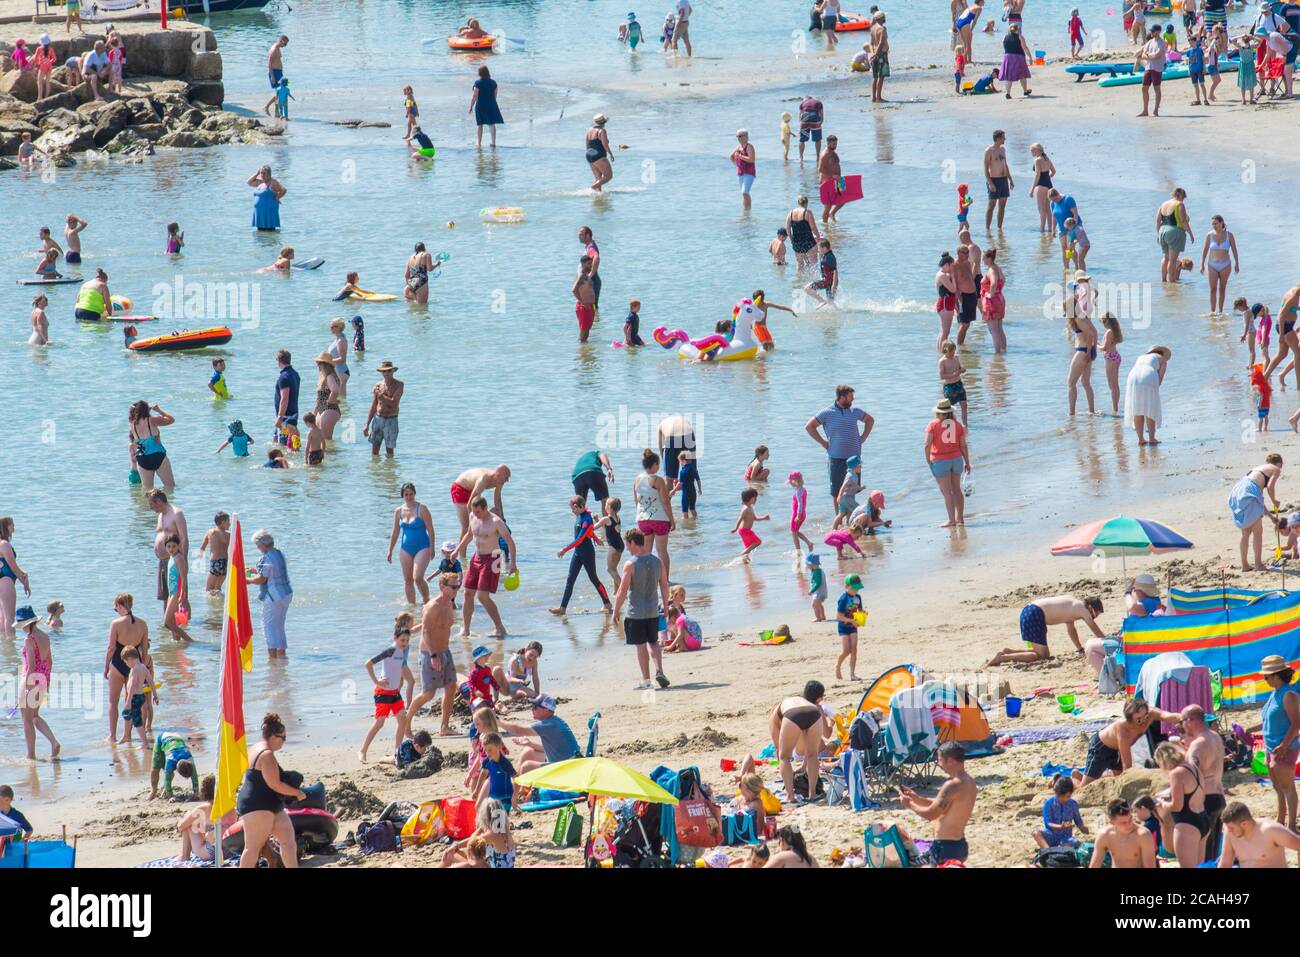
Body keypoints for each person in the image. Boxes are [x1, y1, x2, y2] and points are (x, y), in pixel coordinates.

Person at [236, 713, 304, 868]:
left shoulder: (255, 748)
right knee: (252, 848)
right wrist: (297, 793)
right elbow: (275, 784)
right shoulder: (266, 755)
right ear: (272, 737)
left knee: (288, 839)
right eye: (283, 738)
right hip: (257, 804)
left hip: (269, 803)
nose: (283, 742)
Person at [612, 527, 672, 690]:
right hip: (653, 610)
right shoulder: (657, 561)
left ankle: (646, 680)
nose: (627, 548)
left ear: (633, 543)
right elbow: (665, 586)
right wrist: (665, 606)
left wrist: (615, 611)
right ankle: (659, 670)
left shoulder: (630, 564)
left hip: (635, 613)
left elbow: (622, 591)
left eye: (628, 545)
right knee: (653, 642)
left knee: (640, 645)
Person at [900, 742, 977, 866]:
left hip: (945, 848)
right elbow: (942, 806)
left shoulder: (952, 785)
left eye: (940, 760)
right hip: (958, 845)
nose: (939, 764)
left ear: (950, 760)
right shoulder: (969, 782)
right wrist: (917, 798)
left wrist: (909, 804)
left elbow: (931, 814)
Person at [1074, 698, 1180, 786]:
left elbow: (1168, 716)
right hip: (1101, 747)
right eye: (1139, 719)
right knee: (1085, 787)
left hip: (1116, 749)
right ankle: (1076, 781)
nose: (1143, 721)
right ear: (1130, 719)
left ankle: (1090, 776)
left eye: (1146, 717)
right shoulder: (1123, 730)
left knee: (1118, 777)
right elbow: (1127, 765)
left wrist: (1184, 718)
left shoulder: (1150, 714)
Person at [407, 573, 461, 738]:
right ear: (442, 587)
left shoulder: (449, 604)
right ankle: (405, 723)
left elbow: (432, 625)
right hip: (430, 653)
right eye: (453, 587)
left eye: (457, 587)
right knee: (428, 694)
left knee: (451, 687)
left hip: (445, 651)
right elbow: (426, 631)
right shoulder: (433, 606)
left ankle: (444, 727)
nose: (456, 590)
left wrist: (410, 631)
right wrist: (433, 655)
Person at [455, 496, 516, 639]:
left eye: (478, 512)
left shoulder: (496, 522)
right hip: (477, 557)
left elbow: (510, 542)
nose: (475, 515)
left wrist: (512, 563)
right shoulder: (472, 516)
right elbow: (469, 535)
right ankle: (466, 630)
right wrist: (456, 550)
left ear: (485, 508)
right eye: (474, 512)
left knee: (482, 596)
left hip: (493, 558)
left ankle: (500, 628)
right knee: (467, 593)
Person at [986, 594, 1105, 667]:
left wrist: (1079, 648)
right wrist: (1109, 642)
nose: (1094, 618)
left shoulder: (1074, 604)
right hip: (1035, 614)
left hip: (1031, 610)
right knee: (1041, 656)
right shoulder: (1082, 609)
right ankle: (1002, 658)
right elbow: (1096, 631)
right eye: (1096, 615)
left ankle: (1008, 652)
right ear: (1090, 607)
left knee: (1042, 654)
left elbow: (1071, 629)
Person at [806, 384, 874, 501]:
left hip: (854, 459)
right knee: (837, 493)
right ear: (842, 397)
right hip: (836, 459)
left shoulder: (855, 411)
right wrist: (823, 442)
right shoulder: (827, 413)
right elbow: (809, 427)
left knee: (852, 491)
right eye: (850, 397)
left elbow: (870, 420)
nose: (853, 399)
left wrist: (863, 437)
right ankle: (839, 517)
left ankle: (850, 519)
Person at [770, 682, 833, 804]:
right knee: (812, 754)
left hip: (792, 715)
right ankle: (812, 794)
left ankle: (790, 796)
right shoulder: (801, 701)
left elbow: (778, 749)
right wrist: (803, 766)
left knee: (784, 757)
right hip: (813, 713)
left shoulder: (774, 717)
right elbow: (807, 744)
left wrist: (784, 768)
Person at [1256, 654, 1299, 831]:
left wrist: (1284, 745)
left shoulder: (1288, 694)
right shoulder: (1275, 694)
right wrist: (1250, 730)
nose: (1265, 680)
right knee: (1278, 786)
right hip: (1272, 747)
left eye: (1267, 677)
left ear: (1276, 675)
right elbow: (1268, 719)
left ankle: (1290, 825)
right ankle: (1280, 819)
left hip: (1283, 748)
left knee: (1287, 787)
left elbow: (1296, 722)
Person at [360, 624, 413, 764]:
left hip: (394, 693)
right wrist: (377, 681)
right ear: (395, 638)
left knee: (403, 719)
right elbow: (368, 664)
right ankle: (363, 751)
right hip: (383, 693)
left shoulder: (402, 652)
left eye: (407, 640)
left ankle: (397, 753)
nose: (405, 643)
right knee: (379, 723)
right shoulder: (390, 650)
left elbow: (396, 671)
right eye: (402, 640)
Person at [551, 495, 612, 616]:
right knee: (570, 579)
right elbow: (588, 533)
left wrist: (564, 549)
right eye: (572, 509)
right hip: (578, 553)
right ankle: (562, 608)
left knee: (593, 578)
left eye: (574, 509)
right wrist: (596, 538)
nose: (573, 511)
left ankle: (608, 604)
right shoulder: (579, 516)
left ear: (580, 507)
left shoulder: (587, 519)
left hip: (587, 552)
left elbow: (580, 539)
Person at [1180, 705, 1226, 861]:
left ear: (1190, 720)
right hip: (1219, 796)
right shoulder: (1216, 736)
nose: (1182, 725)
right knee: (1212, 851)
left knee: (1202, 853)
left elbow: (1191, 775)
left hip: (1205, 799)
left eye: (1182, 721)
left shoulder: (1198, 744)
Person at [1152, 742, 1209, 868]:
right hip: (1203, 818)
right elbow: (1191, 789)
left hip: (1187, 823)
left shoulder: (1176, 773)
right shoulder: (1193, 767)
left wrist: (1162, 803)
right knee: (1201, 866)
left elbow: (1177, 806)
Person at [498, 695, 582, 774]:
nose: (532, 709)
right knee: (528, 751)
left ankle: (520, 789)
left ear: (546, 710)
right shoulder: (554, 721)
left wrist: (497, 720)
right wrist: (530, 744)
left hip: (566, 768)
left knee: (526, 766)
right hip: (568, 762)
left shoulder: (549, 724)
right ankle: (515, 786)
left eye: (535, 707)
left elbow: (518, 730)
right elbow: (553, 749)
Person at [16, 608, 59, 761]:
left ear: (26, 623)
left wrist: (27, 685)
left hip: (30, 679)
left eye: (21, 624)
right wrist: (46, 681)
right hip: (43, 678)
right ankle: (53, 742)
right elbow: (50, 661)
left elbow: (31, 665)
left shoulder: (29, 639)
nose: (21, 628)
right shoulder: (45, 636)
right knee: (34, 716)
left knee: (26, 719)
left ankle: (31, 754)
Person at [1228, 454, 1284, 571]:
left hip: (1238, 490)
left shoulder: (1258, 470)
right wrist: (1274, 500)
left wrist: (1270, 516)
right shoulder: (1276, 469)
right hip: (1248, 492)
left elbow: (1258, 500)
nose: (1281, 469)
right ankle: (1258, 564)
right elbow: (1270, 486)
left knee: (1246, 532)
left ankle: (1245, 565)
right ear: (1279, 463)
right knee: (1258, 532)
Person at [924, 398, 970, 528]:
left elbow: (927, 444)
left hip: (940, 461)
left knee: (947, 492)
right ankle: (960, 518)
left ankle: (951, 520)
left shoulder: (933, 425)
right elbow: (963, 446)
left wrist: (928, 460)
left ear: (938, 412)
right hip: (956, 460)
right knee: (956, 490)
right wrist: (967, 462)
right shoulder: (958, 425)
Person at [247, 530, 292, 659]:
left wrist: (247, 581)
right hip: (286, 593)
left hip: (274, 596)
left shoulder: (265, 557)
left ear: (263, 544)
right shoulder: (279, 553)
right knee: (279, 625)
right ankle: (282, 655)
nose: (258, 548)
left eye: (258, 545)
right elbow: (273, 570)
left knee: (268, 626)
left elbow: (261, 579)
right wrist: (255, 570)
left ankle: (272, 658)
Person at [388, 483, 434, 605]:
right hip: (405, 549)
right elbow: (395, 532)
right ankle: (412, 608)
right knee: (408, 580)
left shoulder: (422, 508)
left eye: (411, 494)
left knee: (417, 577)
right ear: (402, 495)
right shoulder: (398, 511)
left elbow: (430, 529)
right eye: (406, 494)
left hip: (423, 547)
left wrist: (432, 548)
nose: (409, 497)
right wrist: (390, 550)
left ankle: (426, 600)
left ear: (415, 493)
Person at [632, 449, 675, 578]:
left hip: (643, 519)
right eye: (658, 464)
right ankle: (665, 580)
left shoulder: (637, 479)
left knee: (645, 552)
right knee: (662, 551)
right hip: (659, 519)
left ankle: (647, 579)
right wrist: (672, 520)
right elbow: (666, 502)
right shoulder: (658, 480)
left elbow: (636, 501)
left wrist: (640, 516)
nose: (659, 466)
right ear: (654, 464)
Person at [1218, 801, 1300, 867]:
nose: (1229, 831)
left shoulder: (1271, 830)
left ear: (1244, 824)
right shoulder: (1230, 834)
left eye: (1231, 828)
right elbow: (1225, 864)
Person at [146, 489, 188, 612]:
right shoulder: (160, 516)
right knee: (165, 596)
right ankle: (168, 627)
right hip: (163, 561)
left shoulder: (176, 513)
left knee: (181, 594)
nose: (150, 508)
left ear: (159, 501)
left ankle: (183, 623)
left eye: (151, 504)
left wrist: (184, 560)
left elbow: (184, 538)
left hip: (176, 561)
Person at [451, 465, 511, 544]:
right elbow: (469, 505)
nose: (507, 480)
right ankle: (462, 555)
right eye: (506, 478)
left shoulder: (500, 480)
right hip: (460, 488)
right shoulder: (484, 479)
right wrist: (474, 522)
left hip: (474, 489)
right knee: (466, 528)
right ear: (497, 475)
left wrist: (502, 520)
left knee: (493, 511)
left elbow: (498, 500)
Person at [1124, 346, 1171, 446]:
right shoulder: (1163, 359)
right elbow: (1159, 379)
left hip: (1132, 376)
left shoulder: (1141, 357)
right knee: (1150, 409)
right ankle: (1152, 438)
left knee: (1137, 409)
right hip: (1148, 374)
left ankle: (1141, 439)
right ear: (1162, 353)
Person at [1090, 800, 1158, 868]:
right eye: (1124, 823)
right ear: (1112, 822)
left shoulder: (1143, 835)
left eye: (1130, 819)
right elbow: (1094, 865)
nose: (1129, 824)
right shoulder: (1105, 835)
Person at [1199, 215, 1240, 316]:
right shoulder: (1209, 235)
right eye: (1213, 224)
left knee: (1222, 288)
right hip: (1212, 264)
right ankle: (1213, 312)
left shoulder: (1229, 235)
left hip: (1225, 265)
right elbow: (1205, 250)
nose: (1214, 226)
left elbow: (1234, 250)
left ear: (1222, 223)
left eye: (1216, 223)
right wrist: (1202, 264)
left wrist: (1237, 263)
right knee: (1212, 289)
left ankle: (1220, 311)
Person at [1034, 776, 1089, 848]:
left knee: (1076, 843)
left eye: (1067, 796)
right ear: (1056, 793)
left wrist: (1083, 828)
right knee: (1036, 833)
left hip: (1066, 838)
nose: (1063, 799)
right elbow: (1048, 823)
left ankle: (1059, 849)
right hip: (1051, 835)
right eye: (1060, 796)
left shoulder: (1073, 804)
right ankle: (1048, 850)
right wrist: (1060, 826)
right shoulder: (1049, 803)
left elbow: (1078, 821)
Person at [364, 361, 403, 457]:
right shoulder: (378, 385)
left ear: (393, 371)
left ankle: (389, 471)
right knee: (374, 451)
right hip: (378, 419)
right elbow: (374, 405)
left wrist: (381, 396)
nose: (386, 373)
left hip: (391, 419)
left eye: (389, 371)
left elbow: (394, 403)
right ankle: (376, 471)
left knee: (389, 451)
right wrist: (367, 424)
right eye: (384, 371)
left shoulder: (399, 385)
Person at [0, 517, 31, 639]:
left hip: (2, 579)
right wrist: (25, 582)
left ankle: (5, 648)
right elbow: (13, 566)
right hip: (6, 580)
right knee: (10, 617)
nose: (14, 527)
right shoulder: (4, 544)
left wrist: (23, 573)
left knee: (3, 617)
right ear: (6, 526)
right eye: (12, 524)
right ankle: (11, 646)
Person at [149, 731, 199, 800]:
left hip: (177, 738)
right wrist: (171, 796)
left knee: (169, 774)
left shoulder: (189, 760)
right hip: (162, 739)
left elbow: (195, 777)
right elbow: (167, 780)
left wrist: (196, 792)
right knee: (156, 768)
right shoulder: (170, 761)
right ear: (177, 770)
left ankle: (165, 790)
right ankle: (153, 791)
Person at [1156, 189, 1192, 282]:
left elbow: (1157, 221)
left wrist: (1157, 234)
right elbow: (1183, 221)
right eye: (1183, 197)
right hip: (1174, 232)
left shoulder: (1163, 204)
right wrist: (1190, 234)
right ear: (1180, 195)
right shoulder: (1180, 204)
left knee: (1166, 257)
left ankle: (1163, 281)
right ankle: (1172, 283)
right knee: (1173, 261)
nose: (1183, 200)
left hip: (1162, 231)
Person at [983, 129, 1014, 229]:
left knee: (1002, 206)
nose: (1005, 139)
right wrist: (990, 183)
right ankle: (987, 228)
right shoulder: (989, 151)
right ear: (998, 138)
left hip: (1003, 180)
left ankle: (999, 228)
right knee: (991, 205)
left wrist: (1010, 179)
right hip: (993, 180)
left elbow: (1006, 165)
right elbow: (986, 169)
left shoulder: (1003, 149)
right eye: (1003, 137)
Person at [836, 574, 864, 680]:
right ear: (847, 586)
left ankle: (852, 674)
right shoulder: (843, 598)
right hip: (843, 626)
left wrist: (862, 616)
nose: (856, 591)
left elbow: (860, 611)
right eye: (854, 588)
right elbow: (839, 616)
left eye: (858, 588)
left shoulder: (858, 598)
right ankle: (838, 666)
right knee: (846, 650)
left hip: (853, 627)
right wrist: (851, 621)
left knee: (854, 649)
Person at [468, 65, 504, 148]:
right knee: (491, 124)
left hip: (481, 105)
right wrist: (492, 103)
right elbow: (495, 95)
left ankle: (479, 143)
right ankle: (493, 142)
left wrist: (470, 106)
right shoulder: (494, 83)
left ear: (480, 73)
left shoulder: (478, 83)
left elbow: (474, 96)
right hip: (492, 105)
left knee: (480, 124)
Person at [1137, 23, 1168, 117]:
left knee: (1156, 88)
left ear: (1158, 32)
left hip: (1157, 69)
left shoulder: (1162, 43)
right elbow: (1143, 54)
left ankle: (1155, 110)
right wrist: (1149, 55)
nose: (1151, 32)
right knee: (1144, 88)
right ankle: (1145, 110)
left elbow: (1156, 56)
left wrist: (1148, 55)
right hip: (1148, 67)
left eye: (1153, 31)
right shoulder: (1150, 42)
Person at [732, 488, 769, 563]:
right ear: (751, 499)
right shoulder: (745, 509)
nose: (756, 500)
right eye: (755, 498)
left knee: (748, 546)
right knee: (758, 542)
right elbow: (740, 518)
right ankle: (742, 554)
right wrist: (736, 528)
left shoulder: (750, 508)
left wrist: (764, 518)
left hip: (745, 531)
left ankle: (744, 560)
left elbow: (755, 518)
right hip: (744, 531)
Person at [785, 196, 822, 271]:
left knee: (799, 265)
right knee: (813, 265)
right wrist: (818, 238)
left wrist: (792, 240)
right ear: (806, 203)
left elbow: (788, 229)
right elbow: (813, 228)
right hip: (808, 241)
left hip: (797, 242)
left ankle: (799, 282)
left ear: (798, 203)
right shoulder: (807, 212)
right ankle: (813, 281)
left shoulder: (791, 213)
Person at [198, 512, 231, 595]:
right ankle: (219, 606)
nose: (230, 524)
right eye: (228, 521)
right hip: (225, 563)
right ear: (223, 522)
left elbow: (202, 546)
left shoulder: (211, 532)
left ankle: (212, 607)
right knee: (218, 588)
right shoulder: (229, 535)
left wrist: (200, 556)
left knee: (209, 590)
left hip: (215, 563)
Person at [312, 352, 342, 442]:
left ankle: (332, 456)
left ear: (325, 364)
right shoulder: (324, 377)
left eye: (319, 363)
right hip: (322, 409)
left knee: (326, 441)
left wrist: (330, 401)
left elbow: (335, 390)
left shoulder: (329, 376)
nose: (317, 365)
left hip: (329, 410)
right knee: (320, 440)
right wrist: (314, 414)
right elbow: (318, 399)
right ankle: (328, 456)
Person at [817, 135, 845, 223]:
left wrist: (839, 178)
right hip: (828, 182)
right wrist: (833, 176)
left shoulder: (833, 152)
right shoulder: (825, 154)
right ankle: (825, 226)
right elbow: (820, 169)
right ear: (828, 143)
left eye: (836, 144)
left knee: (843, 199)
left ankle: (832, 213)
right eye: (833, 144)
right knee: (828, 205)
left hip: (838, 180)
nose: (835, 146)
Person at [248, 166, 285, 231]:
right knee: (260, 234)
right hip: (259, 212)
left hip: (269, 211)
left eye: (264, 173)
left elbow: (283, 190)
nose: (262, 175)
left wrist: (277, 197)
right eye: (261, 173)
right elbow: (249, 182)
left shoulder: (273, 182)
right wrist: (257, 173)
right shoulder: (261, 182)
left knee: (270, 233)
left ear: (269, 174)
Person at [805, 238, 838, 305]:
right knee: (830, 303)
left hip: (828, 282)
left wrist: (834, 286)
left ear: (825, 248)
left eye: (819, 248)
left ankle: (822, 301)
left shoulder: (829, 257)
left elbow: (835, 271)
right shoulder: (826, 255)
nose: (818, 250)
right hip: (828, 282)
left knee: (807, 288)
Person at [586, 114, 614, 191]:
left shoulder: (589, 130)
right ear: (604, 122)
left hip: (589, 154)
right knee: (608, 176)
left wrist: (590, 155)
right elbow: (605, 144)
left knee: (598, 178)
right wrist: (611, 154)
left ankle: (599, 196)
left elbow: (587, 144)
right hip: (599, 155)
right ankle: (593, 187)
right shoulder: (602, 131)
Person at [573, 255, 597, 342]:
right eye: (588, 264)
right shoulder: (581, 276)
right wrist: (582, 302)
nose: (591, 266)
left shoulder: (586, 275)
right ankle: (582, 352)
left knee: (587, 332)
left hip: (590, 306)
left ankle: (585, 353)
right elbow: (574, 290)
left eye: (591, 263)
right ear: (583, 264)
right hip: (584, 306)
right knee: (584, 333)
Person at [731, 129, 756, 209]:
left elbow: (751, 159)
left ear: (746, 137)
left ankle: (748, 211)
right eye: (737, 136)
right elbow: (731, 156)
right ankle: (745, 211)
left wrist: (740, 157)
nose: (739, 138)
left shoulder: (749, 147)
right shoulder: (739, 148)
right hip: (741, 173)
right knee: (744, 193)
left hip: (749, 173)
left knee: (745, 192)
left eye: (740, 136)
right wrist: (737, 165)